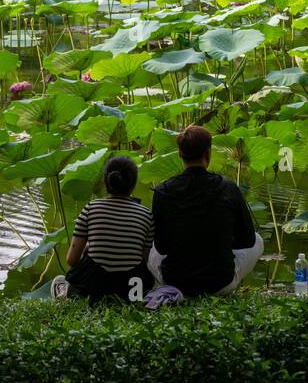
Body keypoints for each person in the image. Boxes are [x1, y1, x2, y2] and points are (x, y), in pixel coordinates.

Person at [149, 125, 264, 297]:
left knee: (150, 246)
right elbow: (247, 240)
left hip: (175, 283)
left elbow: (162, 247)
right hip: (221, 283)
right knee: (258, 240)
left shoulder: (162, 191)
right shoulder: (228, 188)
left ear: (180, 154)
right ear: (208, 153)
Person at [51, 155, 153, 301]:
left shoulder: (91, 208)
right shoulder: (146, 214)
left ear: (106, 182)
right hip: (131, 290)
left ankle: (67, 292)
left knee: (79, 270)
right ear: (133, 183)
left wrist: (89, 247)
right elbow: (144, 259)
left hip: (94, 288)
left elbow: (72, 260)